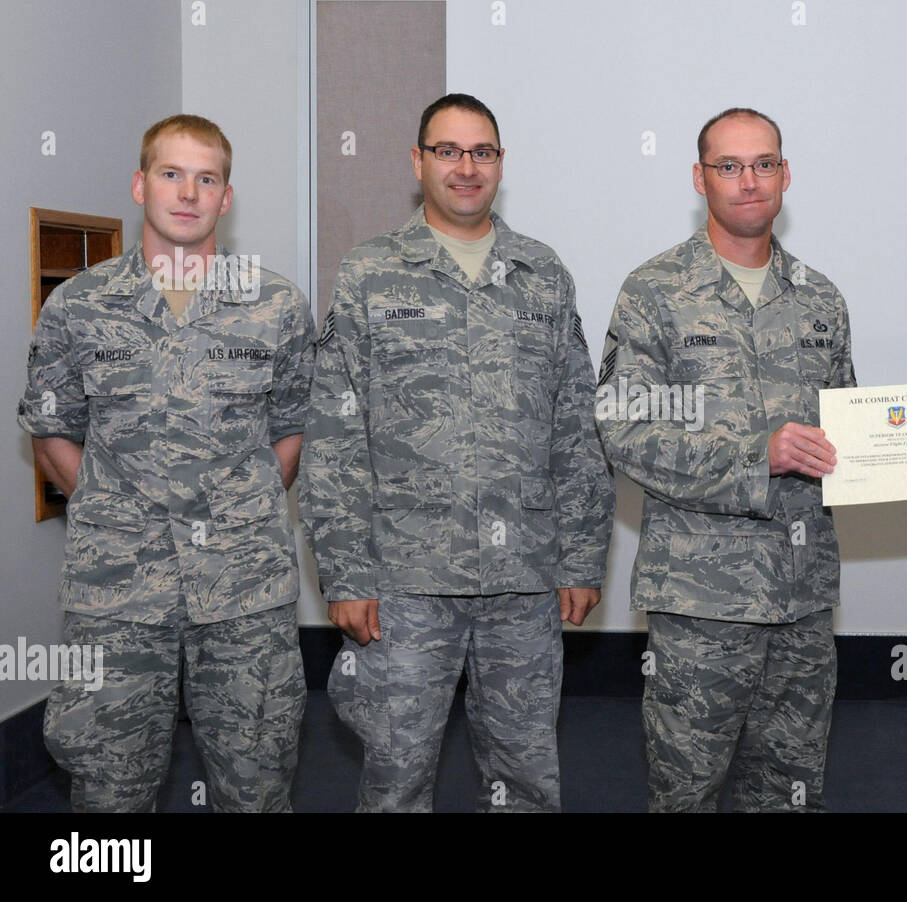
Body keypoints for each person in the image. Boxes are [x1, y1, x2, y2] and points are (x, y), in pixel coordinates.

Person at [301, 93, 614, 812]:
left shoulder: (542, 273)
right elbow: (335, 436)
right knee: (396, 773)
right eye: (448, 151)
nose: (466, 168)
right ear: (418, 162)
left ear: (501, 163)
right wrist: (345, 573)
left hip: (525, 580)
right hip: (406, 579)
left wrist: (581, 557)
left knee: (527, 775)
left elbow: (574, 423)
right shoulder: (371, 274)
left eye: (482, 152)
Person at [18, 114, 315, 812]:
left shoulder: (275, 305)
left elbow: (294, 426)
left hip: (246, 594)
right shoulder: (78, 306)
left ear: (226, 197)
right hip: (117, 594)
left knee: (258, 780)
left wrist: (245, 509)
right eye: (171, 173)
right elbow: (52, 430)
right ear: (140, 183)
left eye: (206, 178)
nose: (188, 192)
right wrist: (108, 509)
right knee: (108, 787)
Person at [597, 108, 855, 812]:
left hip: (802, 601)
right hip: (700, 605)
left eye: (764, 164)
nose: (750, 182)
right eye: (730, 166)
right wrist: (756, 455)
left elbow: (846, 427)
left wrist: (905, 454)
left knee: (790, 794)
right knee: (687, 794)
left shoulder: (821, 299)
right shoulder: (655, 292)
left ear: (786, 175)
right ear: (699, 178)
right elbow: (622, 431)